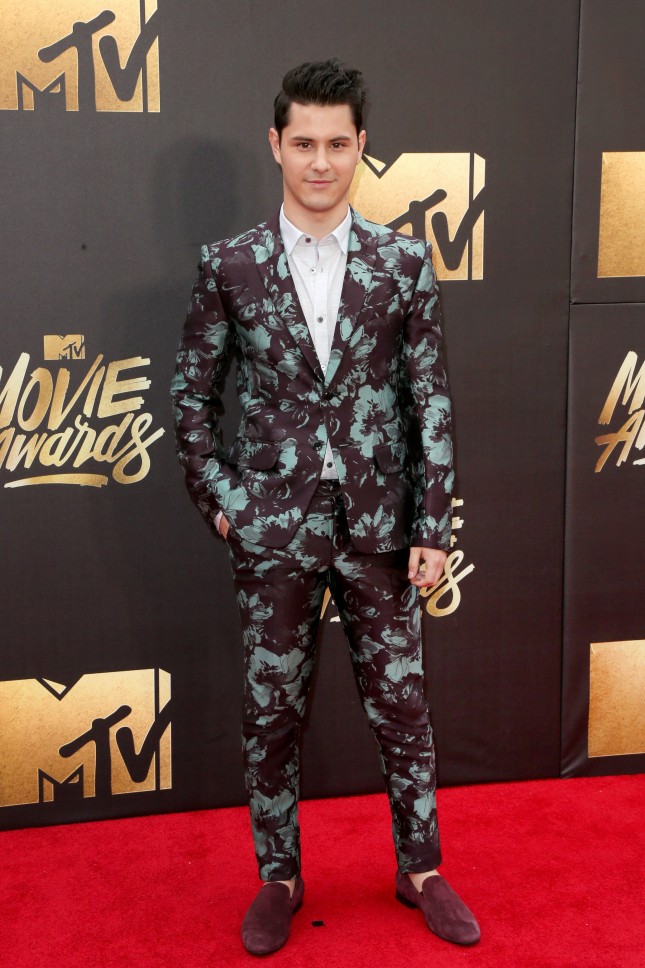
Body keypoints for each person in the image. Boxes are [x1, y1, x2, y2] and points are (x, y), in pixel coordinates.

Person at [171, 58, 480, 956]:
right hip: (271, 531)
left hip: (382, 532)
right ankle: (278, 875)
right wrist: (228, 505)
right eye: (302, 143)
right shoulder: (227, 264)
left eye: (336, 144)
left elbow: (431, 400)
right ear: (275, 145)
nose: (319, 161)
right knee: (272, 713)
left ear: (361, 149)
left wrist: (431, 525)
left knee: (403, 707)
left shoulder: (402, 261)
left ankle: (418, 866)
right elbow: (191, 403)